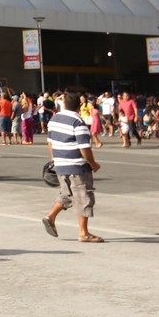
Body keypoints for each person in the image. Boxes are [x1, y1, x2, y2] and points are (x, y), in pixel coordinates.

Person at [42, 91, 102, 242]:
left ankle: (50, 217)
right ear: (79, 106)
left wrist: (55, 159)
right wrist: (93, 163)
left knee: (67, 194)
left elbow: (50, 142)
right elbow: (84, 148)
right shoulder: (78, 122)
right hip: (77, 167)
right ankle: (84, 233)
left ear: (64, 104)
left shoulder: (54, 119)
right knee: (83, 197)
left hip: (60, 165)